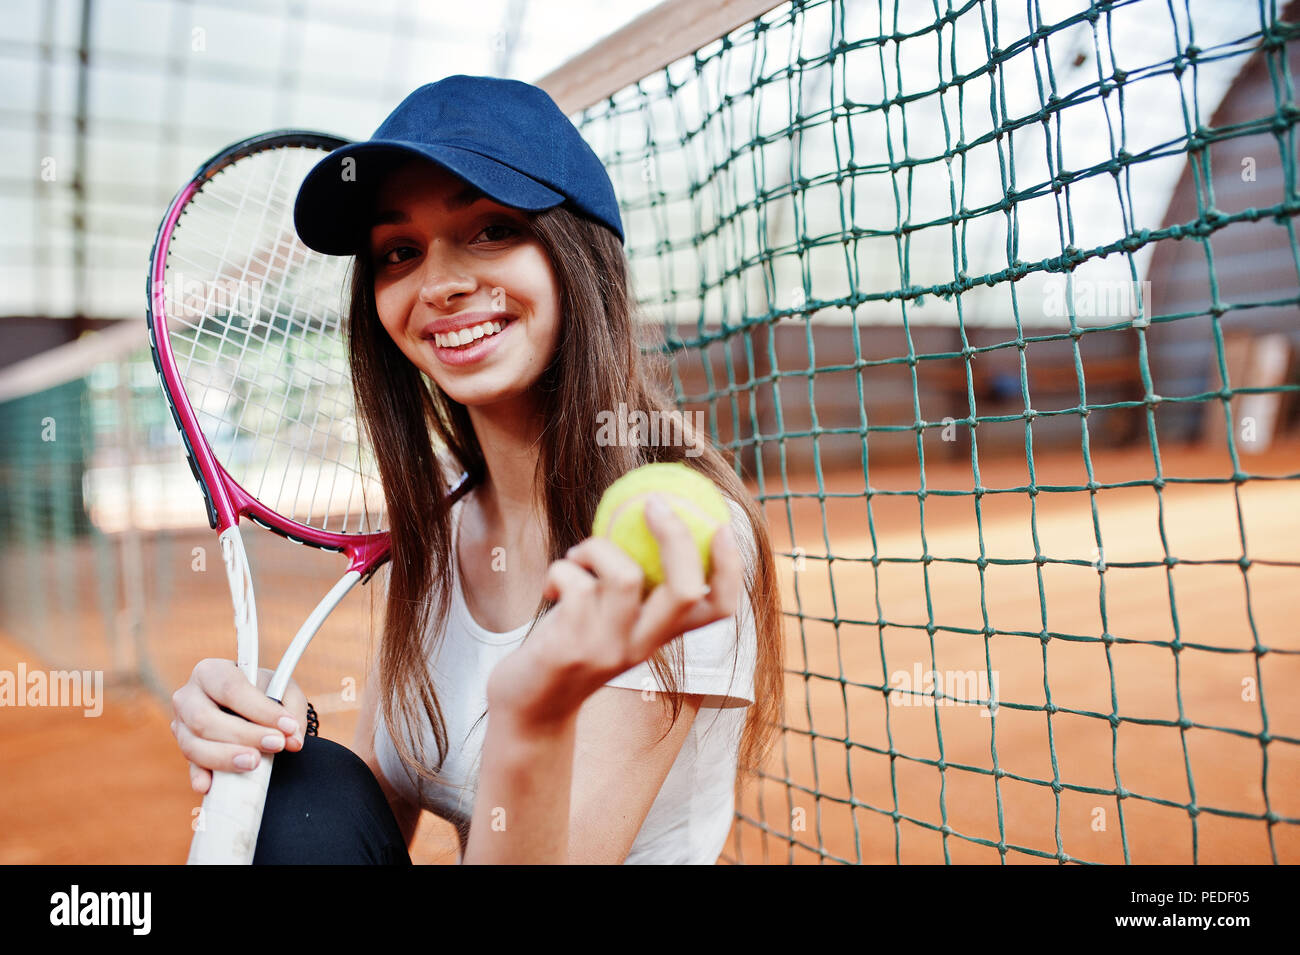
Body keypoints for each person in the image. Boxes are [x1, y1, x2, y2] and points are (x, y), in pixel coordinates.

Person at [168, 75, 783, 864]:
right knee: (297, 787)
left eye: (491, 229)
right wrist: (273, 735)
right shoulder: (438, 525)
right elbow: (363, 821)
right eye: (400, 251)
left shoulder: (674, 537)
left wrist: (531, 712)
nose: (441, 283)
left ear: (576, 255)